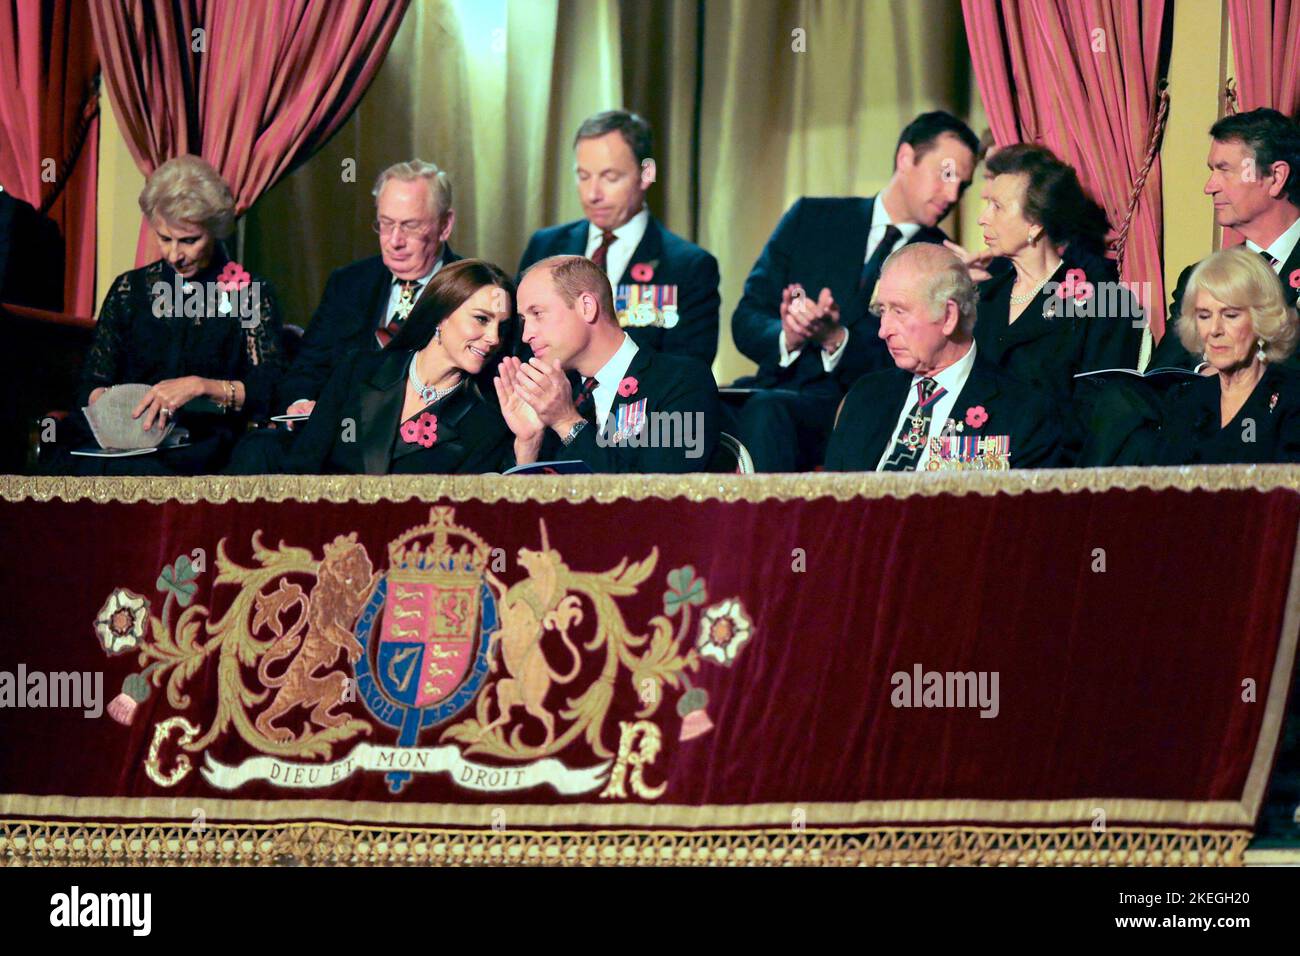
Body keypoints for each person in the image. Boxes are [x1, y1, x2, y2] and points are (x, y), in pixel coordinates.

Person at [728, 111, 979, 471]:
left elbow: (927, 357)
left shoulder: (942, 260)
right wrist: (789, 334)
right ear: (906, 158)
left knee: (768, 411)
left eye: (963, 185)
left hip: (866, 407)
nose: (953, 194)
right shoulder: (812, 218)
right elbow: (746, 320)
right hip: (777, 392)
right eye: (947, 174)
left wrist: (836, 339)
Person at [41, 155, 283, 475]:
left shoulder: (247, 292)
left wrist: (203, 387)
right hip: (131, 444)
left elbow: (271, 388)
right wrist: (105, 399)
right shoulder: (130, 290)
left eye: (189, 240)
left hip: (207, 445)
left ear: (216, 229)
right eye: (164, 238)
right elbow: (91, 382)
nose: (174, 255)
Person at [246, 260, 515, 475]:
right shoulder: (357, 371)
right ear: (442, 315)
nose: (494, 338)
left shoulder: (487, 420)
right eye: (481, 319)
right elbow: (302, 470)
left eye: (501, 327)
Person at [825, 244, 1059, 471]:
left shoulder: (1024, 413)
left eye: (899, 311)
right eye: (882, 312)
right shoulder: (865, 397)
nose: (883, 330)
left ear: (948, 316)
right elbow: (830, 501)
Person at [516, 110, 720, 365]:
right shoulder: (545, 246)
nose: (593, 194)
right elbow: (519, 343)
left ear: (647, 173)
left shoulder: (688, 267)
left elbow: (687, 373)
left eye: (610, 177)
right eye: (583, 176)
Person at [497, 255, 720, 473]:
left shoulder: (681, 381)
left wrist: (567, 421)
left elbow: (660, 498)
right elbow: (514, 508)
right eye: (524, 320)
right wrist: (529, 443)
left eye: (537, 313)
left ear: (587, 306)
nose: (526, 335)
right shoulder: (556, 394)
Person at [276, 159, 463, 415]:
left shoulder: (472, 290)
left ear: (445, 225)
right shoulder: (348, 284)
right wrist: (300, 402)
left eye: (410, 226)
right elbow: (307, 369)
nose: (394, 241)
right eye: (386, 224)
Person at [964, 144, 1141, 402]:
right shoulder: (983, 297)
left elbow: (1104, 408)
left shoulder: (1102, 304)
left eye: (997, 207)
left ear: (1035, 224)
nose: (983, 218)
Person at [1151, 108, 1300, 370]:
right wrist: (1206, 375)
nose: (1209, 186)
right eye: (1212, 170)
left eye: (1224, 170)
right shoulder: (1199, 278)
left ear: (1275, 177)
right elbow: (1163, 376)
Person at [1149, 246, 1300, 464]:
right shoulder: (1185, 401)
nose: (1215, 330)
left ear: (1262, 319)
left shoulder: (1290, 401)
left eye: (1230, 315)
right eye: (1204, 316)